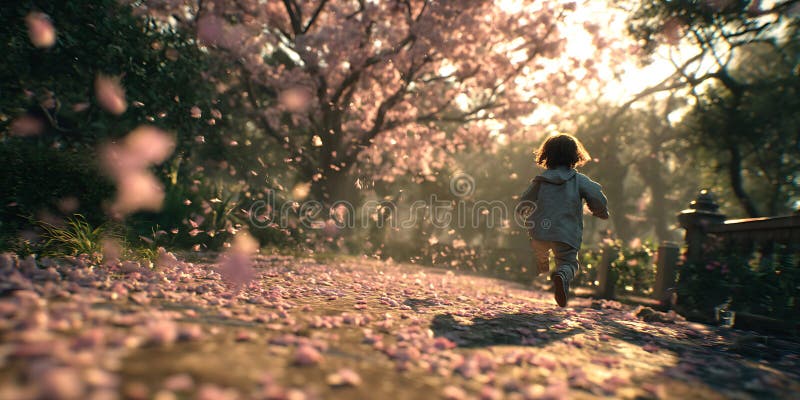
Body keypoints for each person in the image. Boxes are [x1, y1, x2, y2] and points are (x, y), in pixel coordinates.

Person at [517, 134, 609, 307]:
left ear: (547, 155)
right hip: (566, 232)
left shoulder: (541, 180)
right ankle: (562, 275)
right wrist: (600, 211)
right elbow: (597, 196)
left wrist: (522, 210)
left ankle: (540, 262)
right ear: (575, 156)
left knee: (541, 248)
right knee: (568, 263)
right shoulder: (579, 180)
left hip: (541, 232)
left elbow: (525, 200)